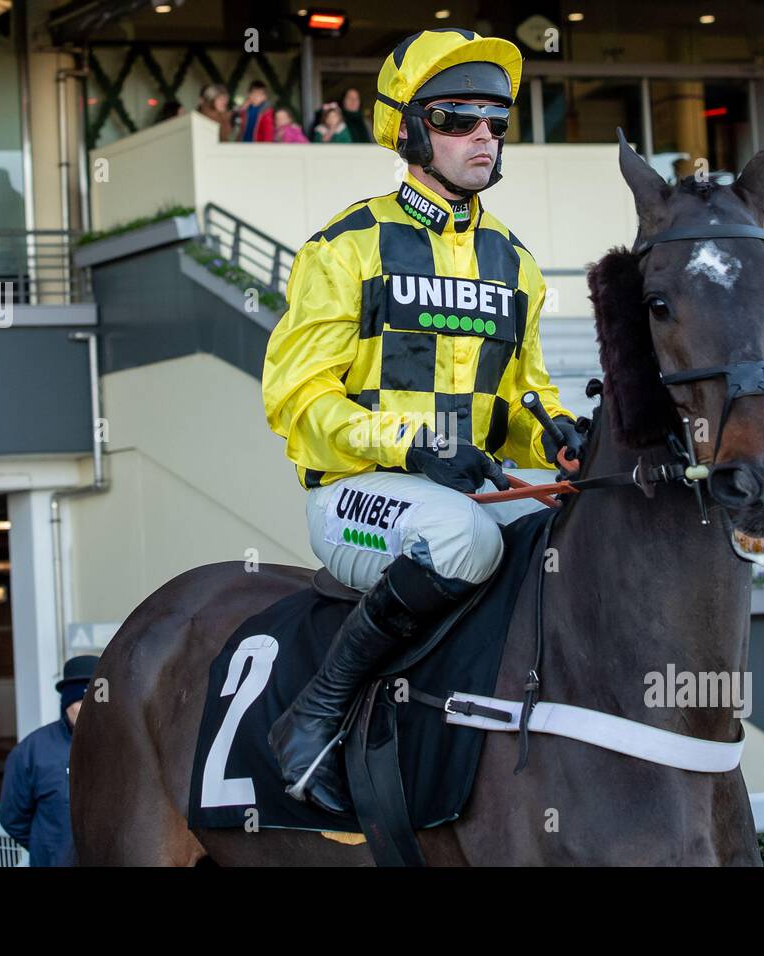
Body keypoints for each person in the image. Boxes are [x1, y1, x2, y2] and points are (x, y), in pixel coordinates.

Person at [261, 27, 583, 814]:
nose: (484, 136)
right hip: (356, 499)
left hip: (466, 493)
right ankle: (315, 718)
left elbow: (520, 400)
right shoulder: (344, 248)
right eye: (457, 118)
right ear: (407, 129)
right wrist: (412, 442)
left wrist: (559, 436)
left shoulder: (517, 262)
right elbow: (298, 402)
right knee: (460, 539)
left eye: (496, 121)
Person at [0, 655, 98, 866]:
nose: (89, 708)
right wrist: (50, 849)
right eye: (81, 699)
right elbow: (12, 817)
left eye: (96, 701)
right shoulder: (33, 751)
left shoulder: (122, 748)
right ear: (67, 701)